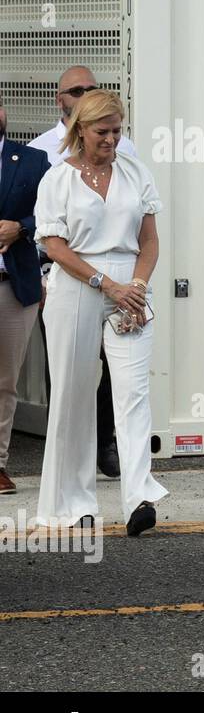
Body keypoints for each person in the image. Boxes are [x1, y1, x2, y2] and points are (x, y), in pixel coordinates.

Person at [32, 90, 167, 535]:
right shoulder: (58, 179)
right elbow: (54, 246)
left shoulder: (135, 171)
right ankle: (74, 502)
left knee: (132, 393)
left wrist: (138, 287)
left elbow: (149, 241)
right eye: (102, 131)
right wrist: (106, 283)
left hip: (130, 286)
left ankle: (139, 497)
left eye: (117, 130)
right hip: (76, 285)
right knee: (73, 395)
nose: (111, 139)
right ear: (80, 130)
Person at [30, 66, 134, 480]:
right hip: (61, 274)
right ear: (61, 99)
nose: (84, 94)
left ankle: (106, 443)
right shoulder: (42, 151)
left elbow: (138, 217)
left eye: (91, 88)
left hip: (118, 279)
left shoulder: (128, 153)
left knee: (115, 366)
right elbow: (41, 222)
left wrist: (134, 279)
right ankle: (67, 462)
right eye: (76, 90)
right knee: (68, 370)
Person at [0, 92, 51, 495]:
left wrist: (22, 227)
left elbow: (53, 212)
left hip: (12, 287)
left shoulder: (31, 160)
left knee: (5, 381)